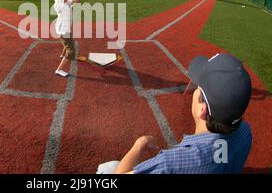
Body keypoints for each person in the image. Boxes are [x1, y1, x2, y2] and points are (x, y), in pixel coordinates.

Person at [97, 53, 253, 174]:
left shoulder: (170, 164)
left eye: (198, 87)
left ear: (202, 109)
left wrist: (140, 144)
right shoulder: (246, 132)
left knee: (109, 168)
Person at [54, 0, 79, 78]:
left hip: (66, 28)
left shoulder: (65, 1)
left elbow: (76, 0)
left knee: (69, 42)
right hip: (63, 30)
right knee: (71, 51)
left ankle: (62, 54)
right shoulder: (59, 2)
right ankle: (59, 69)